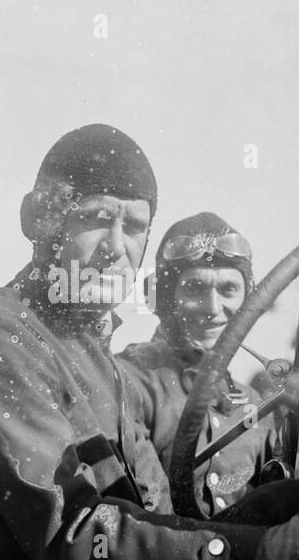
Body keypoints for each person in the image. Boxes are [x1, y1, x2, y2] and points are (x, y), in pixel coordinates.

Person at [0, 124, 299, 560]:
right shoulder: (0, 340)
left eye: (136, 227)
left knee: (292, 506)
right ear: (40, 219)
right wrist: (250, 548)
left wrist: (277, 518)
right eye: (97, 217)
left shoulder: (88, 345)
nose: (116, 246)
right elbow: (75, 534)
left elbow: (154, 506)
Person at [118, 213, 286, 520]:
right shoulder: (129, 380)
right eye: (194, 288)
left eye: (228, 290)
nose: (212, 308)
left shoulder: (254, 404)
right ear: (166, 298)